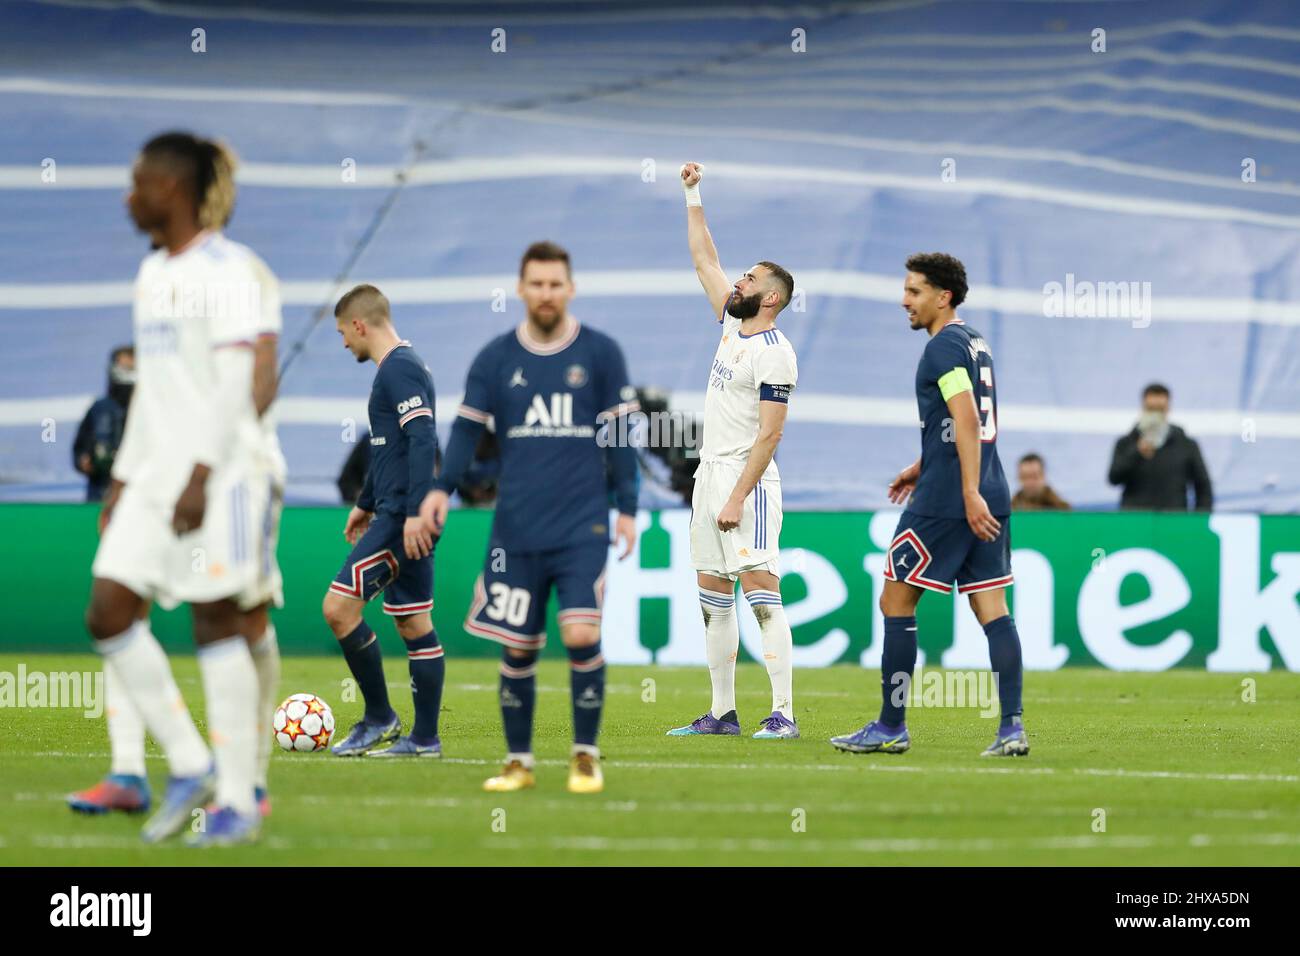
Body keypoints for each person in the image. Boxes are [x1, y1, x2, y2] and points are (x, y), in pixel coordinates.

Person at [79, 131, 284, 845]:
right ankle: (191, 760)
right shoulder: (151, 274)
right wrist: (124, 480)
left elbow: (238, 384)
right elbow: (155, 395)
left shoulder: (230, 270)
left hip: (226, 471)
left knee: (218, 620)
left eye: (138, 183)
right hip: (157, 471)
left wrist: (201, 473)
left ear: (170, 189)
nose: (128, 196)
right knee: (107, 609)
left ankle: (235, 796)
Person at [418, 241, 639, 794]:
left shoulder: (602, 353)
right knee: (517, 646)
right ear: (520, 289)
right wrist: (442, 488)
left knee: (582, 631)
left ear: (570, 288)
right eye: (536, 284)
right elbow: (467, 430)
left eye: (555, 284)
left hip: (582, 524)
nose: (545, 293)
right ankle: (518, 762)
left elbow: (622, 441)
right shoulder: (495, 358)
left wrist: (628, 510)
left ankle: (585, 756)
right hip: (514, 530)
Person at [831, 253, 1028, 758]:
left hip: (948, 501)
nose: (905, 301)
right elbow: (966, 422)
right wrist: (923, 463)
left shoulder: (941, 349)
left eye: (914, 291)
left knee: (895, 602)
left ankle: (890, 725)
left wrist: (963, 491)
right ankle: (1011, 729)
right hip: (992, 490)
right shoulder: (975, 343)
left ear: (943, 297)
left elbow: (963, 419)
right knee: (992, 609)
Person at [665, 162, 801, 741]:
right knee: (712, 593)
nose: (735, 283)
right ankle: (722, 713)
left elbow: (770, 436)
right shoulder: (730, 324)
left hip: (749, 482)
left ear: (770, 297)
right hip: (709, 475)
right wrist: (693, 193)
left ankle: (784, 714)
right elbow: (704, 260)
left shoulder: (776, 353)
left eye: (748, 280)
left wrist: (738, 495)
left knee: (761, 591)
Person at [324, 284, 445, 758]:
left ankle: (379, 718)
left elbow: (422, 440)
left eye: (342, 333)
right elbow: (389, 447)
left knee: (337, 610)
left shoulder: (398, 369)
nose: (343, 344)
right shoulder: (403, 367)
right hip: (394, 509)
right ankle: (425, 739)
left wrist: (414, 513)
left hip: (401, 519)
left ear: (359, 324)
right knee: (415, 624)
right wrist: (364, 500)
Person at [1108, 383, 1213, 511]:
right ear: (1143, 408)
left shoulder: (1186, 444)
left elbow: (1203, 486)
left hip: (1173, 521)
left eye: (1160, 409)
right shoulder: (1126, 442)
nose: (1155, 415)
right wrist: (1136, 452)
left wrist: (1197, 522)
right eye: (1151, 409)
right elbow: (1113, 478)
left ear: (1168, 408)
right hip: (1135, 521)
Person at [73, 346, 136, 501]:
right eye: (123, 366)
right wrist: (83, 460)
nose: (127, 371)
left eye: (131, 366)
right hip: (101, 491)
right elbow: (80, 446)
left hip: (138, 490)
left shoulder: (149, 408)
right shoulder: (99, 408)